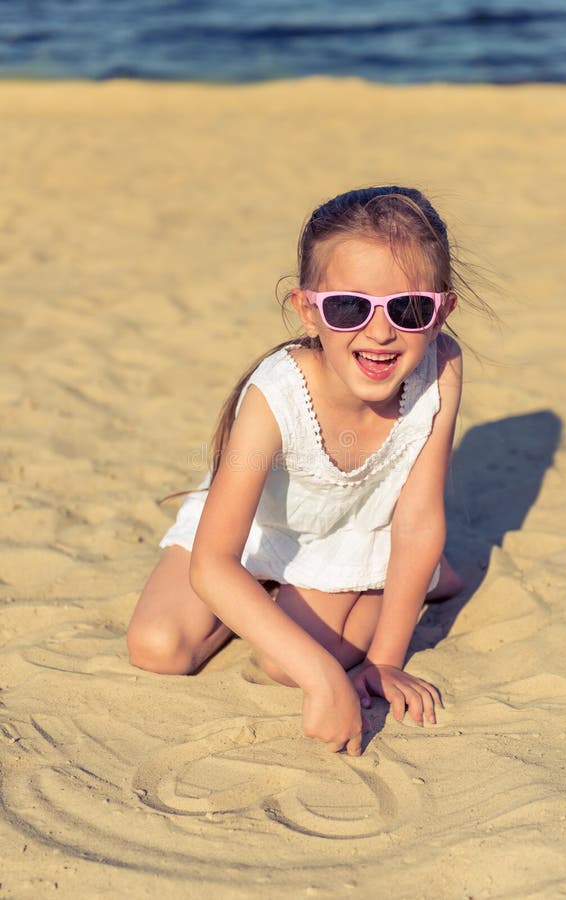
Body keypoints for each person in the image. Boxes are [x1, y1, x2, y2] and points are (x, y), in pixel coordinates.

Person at [127, 185, 466, 757]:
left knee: (280, 665)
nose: (380, 333)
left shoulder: (442, 369)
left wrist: (384, 662)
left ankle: (423, 578)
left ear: (441, 310)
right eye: (349, 307)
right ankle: (293, 594)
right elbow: (213, 562)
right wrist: (321, 675)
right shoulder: (276, 394)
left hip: (347, 534)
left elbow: (418, 518)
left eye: (408, 309)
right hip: (257, 530)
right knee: (158, 647)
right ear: (309, 310)